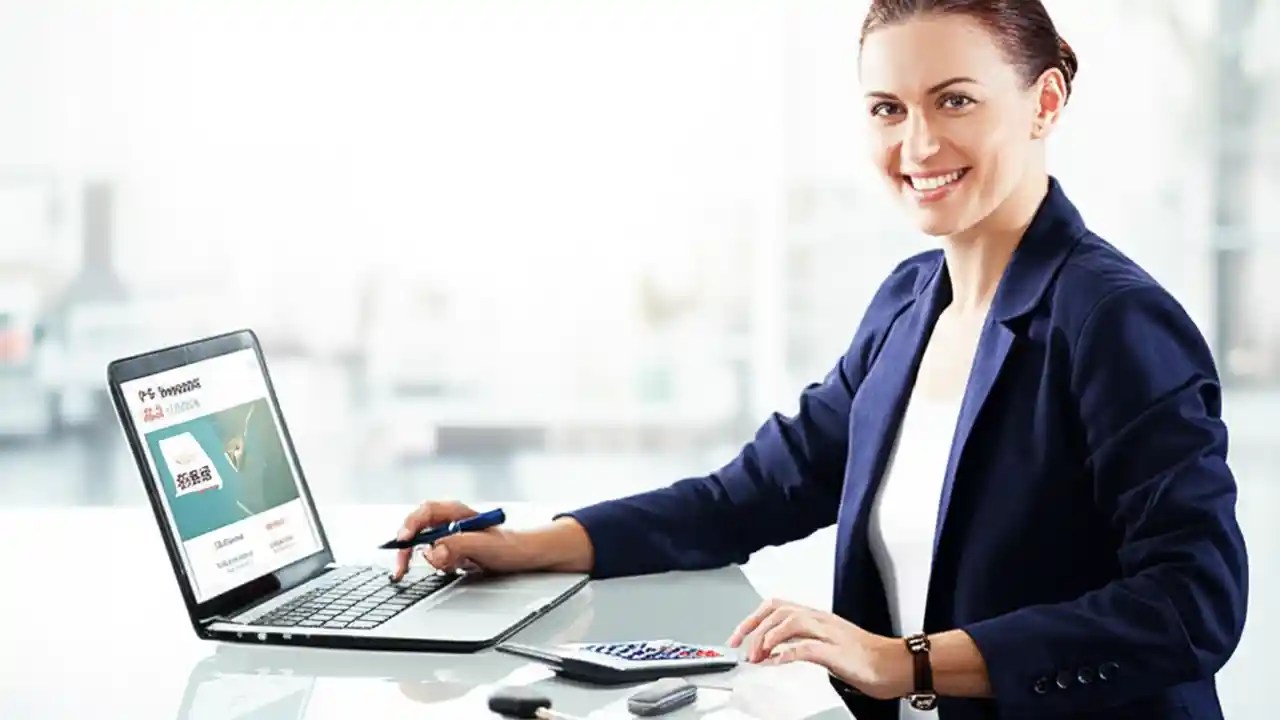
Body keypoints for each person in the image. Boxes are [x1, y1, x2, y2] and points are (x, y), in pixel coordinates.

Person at [388, 1, 1249, 717]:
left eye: (954, 101)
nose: (916, 147)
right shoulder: (910, 302)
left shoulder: (1115, 321)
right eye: (888, 108)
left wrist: (902, 660)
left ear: (1045, 103)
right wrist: (524, 546)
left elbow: (1191, 603)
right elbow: (753, 493)